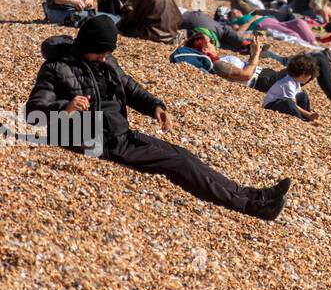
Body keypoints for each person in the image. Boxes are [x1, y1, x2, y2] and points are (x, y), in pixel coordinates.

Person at [25, 16, 290, 220]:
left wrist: (155, 107)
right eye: (101, 52)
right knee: (178, 164)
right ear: (87, 45)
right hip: (94, 142)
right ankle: (252, 206)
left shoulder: (107, 62)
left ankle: (254, 194)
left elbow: (129, 88)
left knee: (184, 154)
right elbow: (33, 113)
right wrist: (67, 108)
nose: (105, 57)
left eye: (108, 52)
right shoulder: (56, 68)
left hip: (119, 135)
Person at [261, 54, 321, 122]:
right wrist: (308, 114)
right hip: (270, 106)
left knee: (303, 95)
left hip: (282, 102)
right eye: (310, 75)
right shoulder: (288, 83)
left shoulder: (295, 81)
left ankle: (306, 119)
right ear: (303, 74)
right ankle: (302, 120)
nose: (310, 77)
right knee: (289, 102)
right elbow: (292, 104)